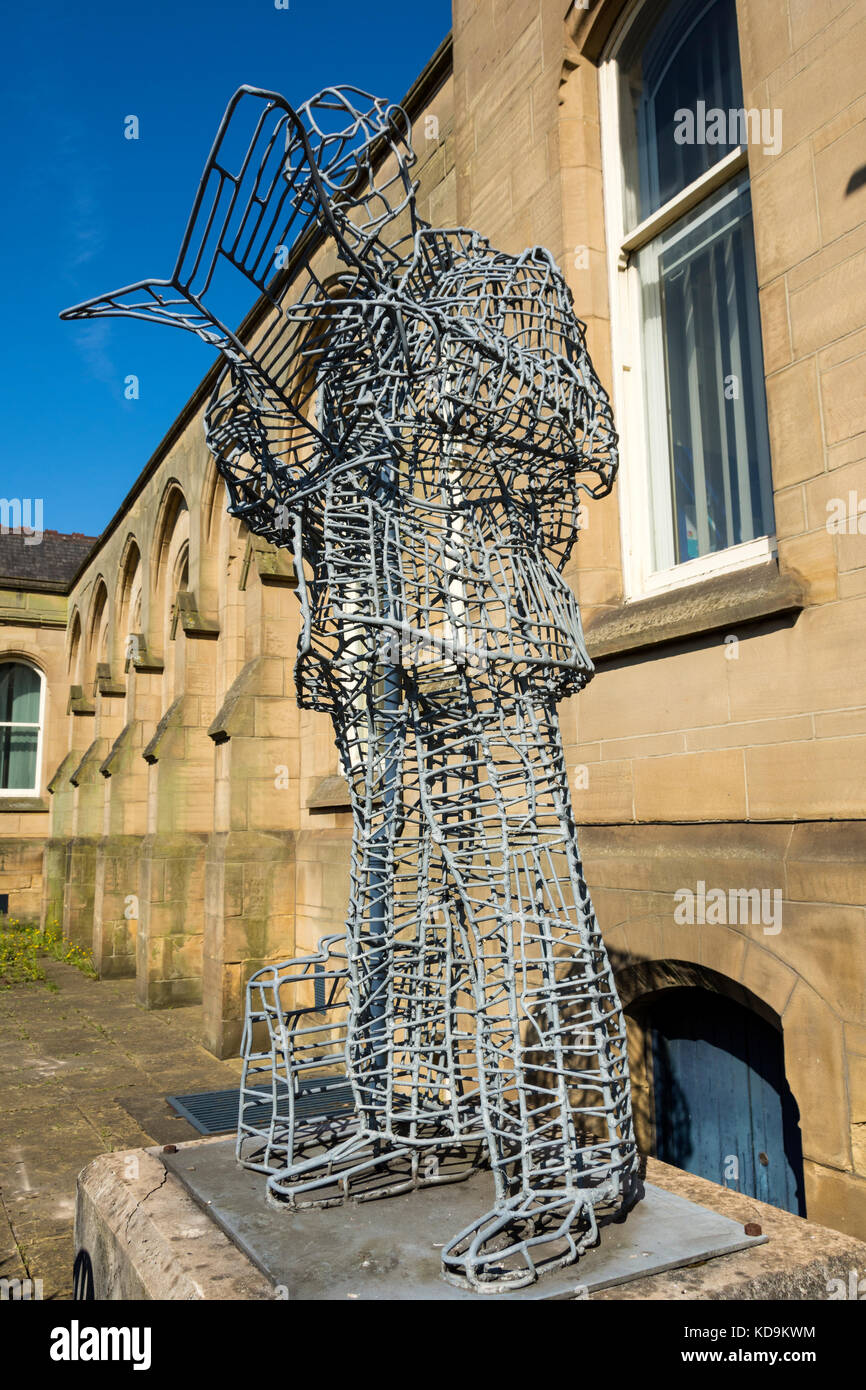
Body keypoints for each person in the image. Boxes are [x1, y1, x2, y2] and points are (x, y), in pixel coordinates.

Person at [62, 85, 638, 1292]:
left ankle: (568, 1174)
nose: (331, 198)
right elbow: (318, 511)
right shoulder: (356, 338)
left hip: (486, 641)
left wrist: (439, 357)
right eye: (312, 185)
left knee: (525, 909)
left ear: (395, 172)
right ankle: (409, 1116)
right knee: (399, 912)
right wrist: (264, 457)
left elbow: (584, 430)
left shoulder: (495, 284)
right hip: (376, 665)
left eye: (338, 169)